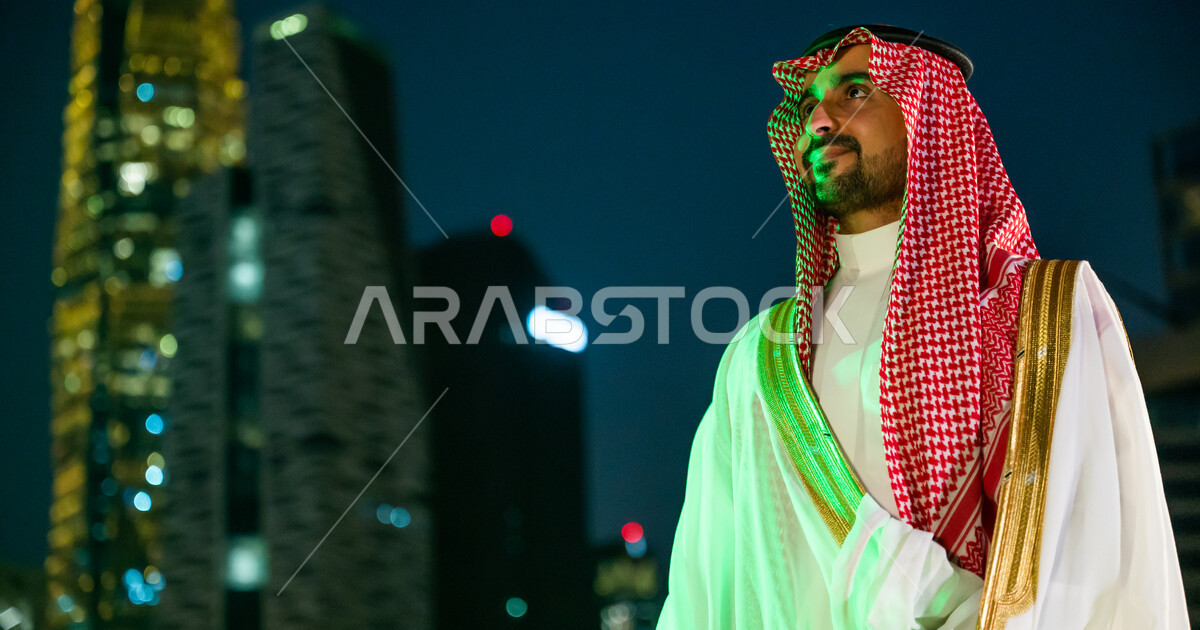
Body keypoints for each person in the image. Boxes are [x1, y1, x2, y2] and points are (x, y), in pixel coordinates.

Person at [657, 25, 1190, 629]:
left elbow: (1102, 574)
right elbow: (701, 592)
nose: (820, 122)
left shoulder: (1046, 313)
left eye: (854, 93)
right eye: (808, 107)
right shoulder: (758, 356)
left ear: (928, 118)